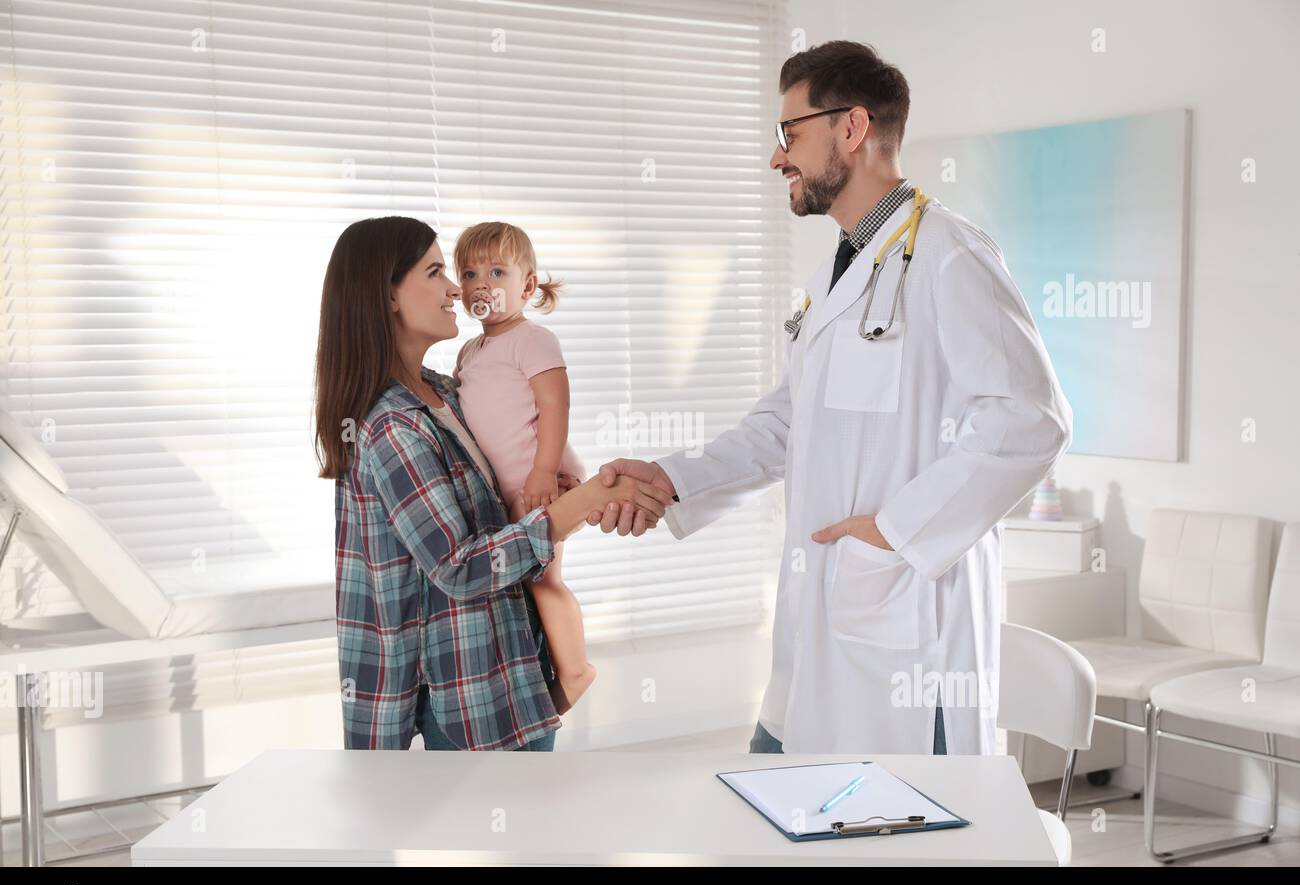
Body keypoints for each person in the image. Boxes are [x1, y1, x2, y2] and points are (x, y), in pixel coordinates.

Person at [587, 41, 1072, 756]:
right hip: (823, 624)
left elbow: (1030, 423)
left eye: (790, 134)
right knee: (786, 792)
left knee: (903, 830)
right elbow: (790, 422)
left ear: (851, 129)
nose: (776, 157)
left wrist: (898, 530)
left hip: (903, 627)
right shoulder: (837, 272)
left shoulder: (950, 255)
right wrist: (677, 477)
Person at [313, 216, 671, 751]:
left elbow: (516, 449)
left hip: (514, 676)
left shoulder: (445, 391)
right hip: (471, 699)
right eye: (437, 272)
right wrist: (585, 501)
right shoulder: (393, 425)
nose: (458, 289)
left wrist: (559, 479)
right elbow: (458, 566)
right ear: (388, 297)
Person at [451, 221, 595, 715]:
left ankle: (577, 671)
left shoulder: (532, 340)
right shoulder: (470, 350)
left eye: (496, 271)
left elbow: (555, 406)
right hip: (506, 489)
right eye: (469, 274)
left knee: (543, 579)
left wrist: (543, 471)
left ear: (528, 286)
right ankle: (546, 670)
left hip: (539, 481)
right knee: (521, 584)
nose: (481, 285)